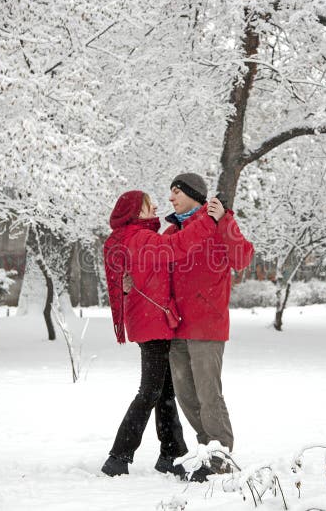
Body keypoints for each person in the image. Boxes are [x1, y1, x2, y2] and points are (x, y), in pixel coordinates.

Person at [101, 190, 226, 477]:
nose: (156, 206)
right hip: (152, 324)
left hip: (152, 321)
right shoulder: (140, 237)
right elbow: (178, 246)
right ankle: (118, 456)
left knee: (165, 391)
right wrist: (208, 221)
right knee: (150, 392)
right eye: (149, 205)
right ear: (135, 212)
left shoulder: (133, 237)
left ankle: (172, 452)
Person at [163, 173, 254, 481]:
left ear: (192, 194)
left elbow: (242, 257)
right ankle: (206, 452)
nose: (171, 197)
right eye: (170, 192)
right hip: (176, 327)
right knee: (186, 394)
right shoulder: (171, 230)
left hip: (207, 325)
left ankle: (220, 455)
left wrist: (225, 221)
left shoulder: (217, 222)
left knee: (208, 394)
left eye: (176, 192)